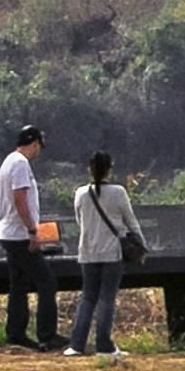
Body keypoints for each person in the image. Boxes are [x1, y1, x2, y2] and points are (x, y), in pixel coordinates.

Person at [68, 148, 144, 358]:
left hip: (87, 252)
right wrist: (141, 244)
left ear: (89, 169)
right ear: (109, 169)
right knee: (107, 298)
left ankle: (76, 344)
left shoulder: (81, 193)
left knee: (88, 297)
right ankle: (104, 345)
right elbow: (131, 221)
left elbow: (79, 221)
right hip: (111, 253)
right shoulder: (118, 192)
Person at [0, 118, 58, 351]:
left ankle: (16, 333)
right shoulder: (21, 164)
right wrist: (33, 231)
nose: (38, 152)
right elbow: (20, 199)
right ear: (34, 143)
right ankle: (47, 335)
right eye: (38, 147)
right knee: (47, 281)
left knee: (19, 284)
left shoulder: (9, 161)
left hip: (9, 231)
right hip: (19, 234)